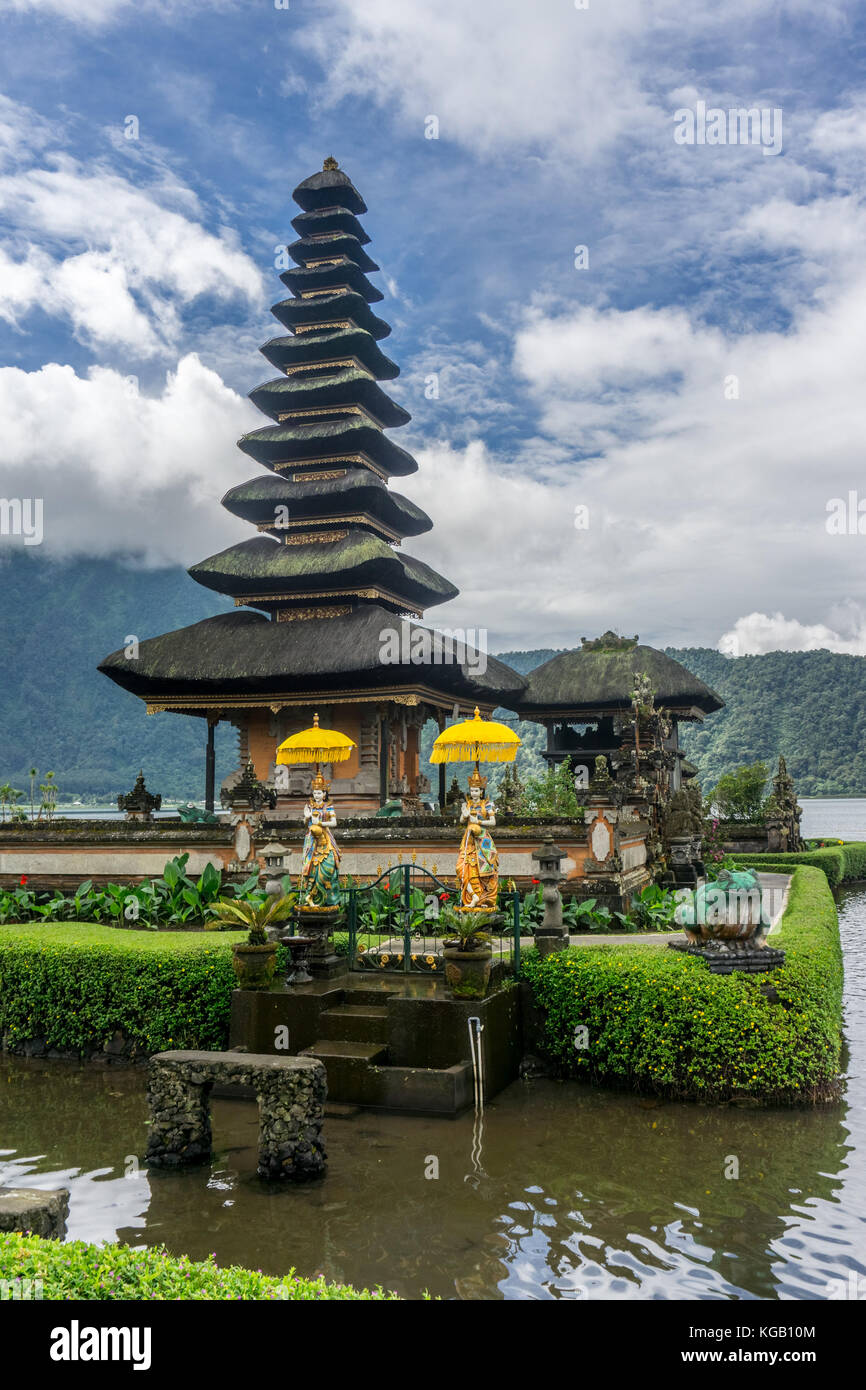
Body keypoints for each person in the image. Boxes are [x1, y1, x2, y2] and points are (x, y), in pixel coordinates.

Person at [456, 769, 499, 910]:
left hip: (482, 840)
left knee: (481, 870)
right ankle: (472, 895)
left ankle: (480, 897)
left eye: (476, 791)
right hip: (468, 840)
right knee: (461, 868)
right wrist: (464, 814)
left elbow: (493, 822)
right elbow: (462, 821)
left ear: (481, 792)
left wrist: (478, 821)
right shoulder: (467, 805)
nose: (474, 793)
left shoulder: (487, 805)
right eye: (472, 790)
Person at [300, 773, 341, 908]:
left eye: (319, 793)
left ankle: (328, 897)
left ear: (324, 794)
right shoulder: (310, 807)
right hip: (312, 839)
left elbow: (334, 823)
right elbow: (305, 822)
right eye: (315, 793)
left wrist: (321, 824)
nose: (316, 795)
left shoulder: (328, 807)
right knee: (310, 866)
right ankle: (310, 895)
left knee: (330, 863)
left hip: (325, 837)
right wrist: (306, 817)